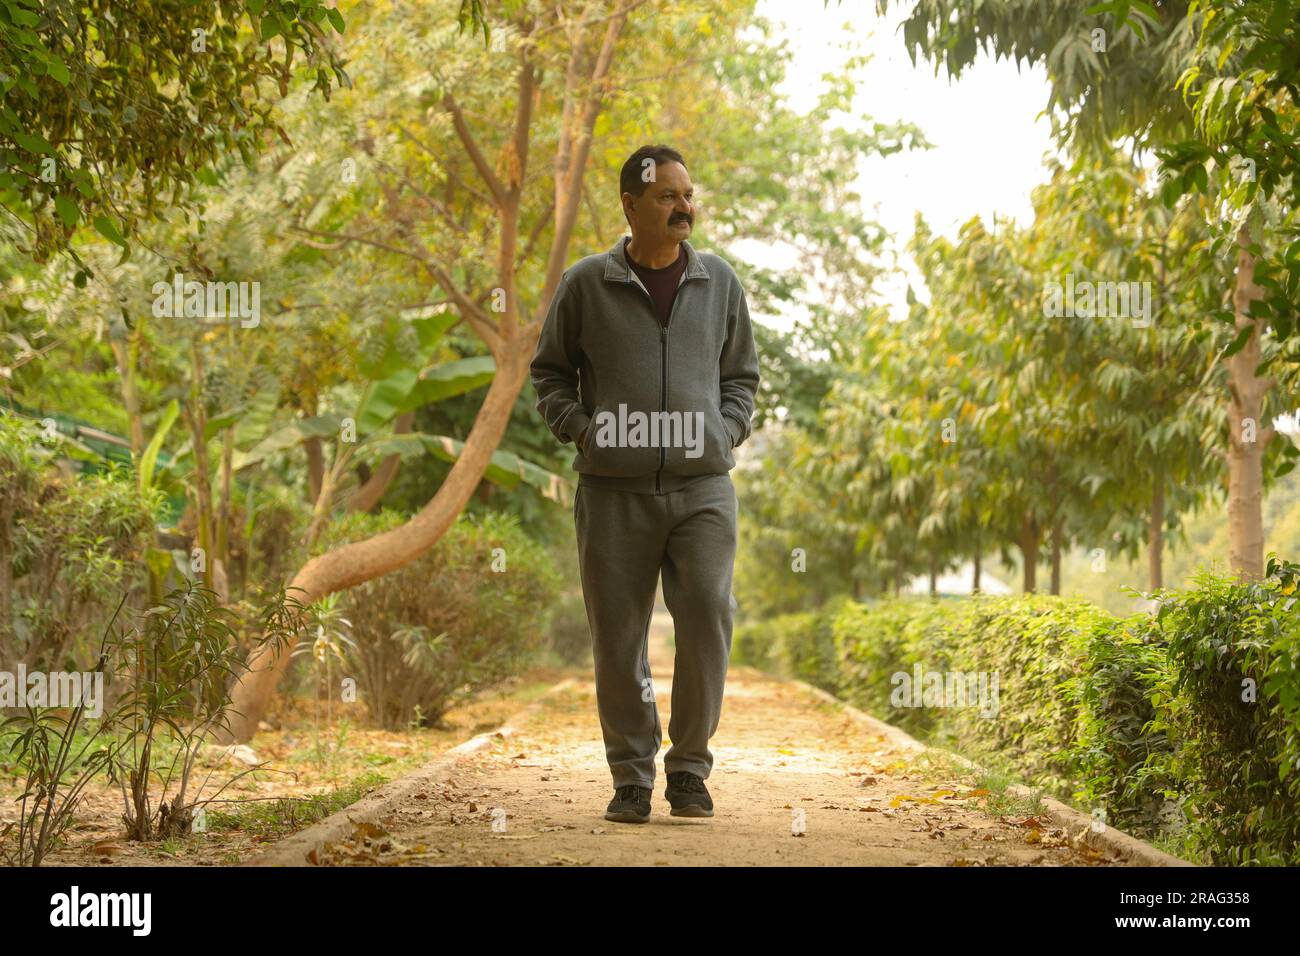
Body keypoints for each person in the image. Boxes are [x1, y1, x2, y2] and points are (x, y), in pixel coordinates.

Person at [530, 144, 760, 823]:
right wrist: (584, 430)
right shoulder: (585, 284)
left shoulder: (719, 283)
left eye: (688, 194)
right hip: (612, 492)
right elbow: (549, 374)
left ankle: (689, 768)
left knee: (708, 618)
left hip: (702, 490)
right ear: (631, 205)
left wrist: (725, 431)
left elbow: (741, 377)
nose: (684, 205)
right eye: (668, 197)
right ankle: (630, 775)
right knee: (618, 635)